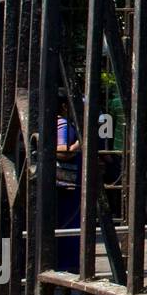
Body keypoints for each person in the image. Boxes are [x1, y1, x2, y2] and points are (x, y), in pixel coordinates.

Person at [55, 93, 82, 274]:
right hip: (67, 183)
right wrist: (81, 143)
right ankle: (66, 266)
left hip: (57, 183)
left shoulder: (44, 123)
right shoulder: (63, 125)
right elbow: (64, 152)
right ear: (64, 106)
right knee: (69, 223)